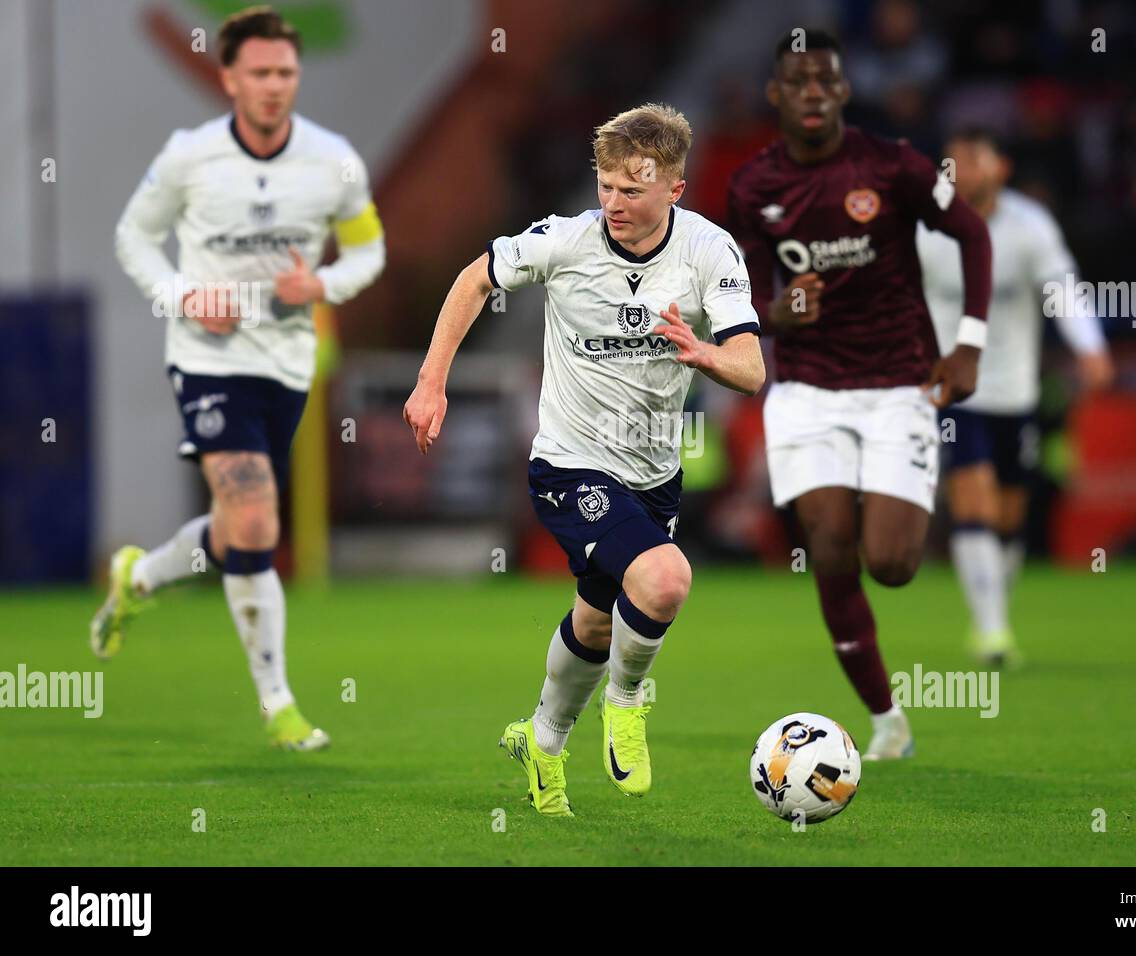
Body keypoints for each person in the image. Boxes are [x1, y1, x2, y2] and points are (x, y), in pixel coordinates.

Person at [403, 104, 764, 816]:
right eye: (605, 186)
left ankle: (542, 740)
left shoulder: (710, 252)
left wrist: (704, 355)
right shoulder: (564, 241)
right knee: (664, 580)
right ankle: (626, 706)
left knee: (598, 623)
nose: (613, 204)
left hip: (653, 475)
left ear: (674, 190)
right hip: (570, 464)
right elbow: (477, 278)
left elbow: (751, 370)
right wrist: (430, 379)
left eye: (632, 189)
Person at [95, 5, 385, 750]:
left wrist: (321, 285)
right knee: (256, 518)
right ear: (228, 77)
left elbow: (367, 251)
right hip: (206, 357)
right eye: (258, 72)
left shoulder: (332, 161)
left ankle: (141, 579)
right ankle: (278, 706)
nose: (273, 86)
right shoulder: (190, 157)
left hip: (285, 362)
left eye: (285, 72)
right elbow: (134, 235)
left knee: (237, 529)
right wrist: (182, 295)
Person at [727, 30, 991, 759]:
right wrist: (779, 317)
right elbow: (743, 301)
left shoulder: (894, 165)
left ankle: (890, 490)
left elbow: (972, 234)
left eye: (825, 79)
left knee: (893, 565)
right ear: (777, 95)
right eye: (797, 81)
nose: (813, 91)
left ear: (843, 90)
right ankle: (886, 721)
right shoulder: (753, 188)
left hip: (898, 386)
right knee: (832, 548)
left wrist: (968, 342)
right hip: (807, 393)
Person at [916, 128, 1112, 665]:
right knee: (972, 496)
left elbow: (1062, 289)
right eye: (953, 161)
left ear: (1000, 167)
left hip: (1016, 391)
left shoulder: (1030, 226)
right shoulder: (925, 224)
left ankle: (993, 614)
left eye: (973, 160)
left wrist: (1090, 347)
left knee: (1009, 515)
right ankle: (992, 631)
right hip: (952, 388)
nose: (961, 171)